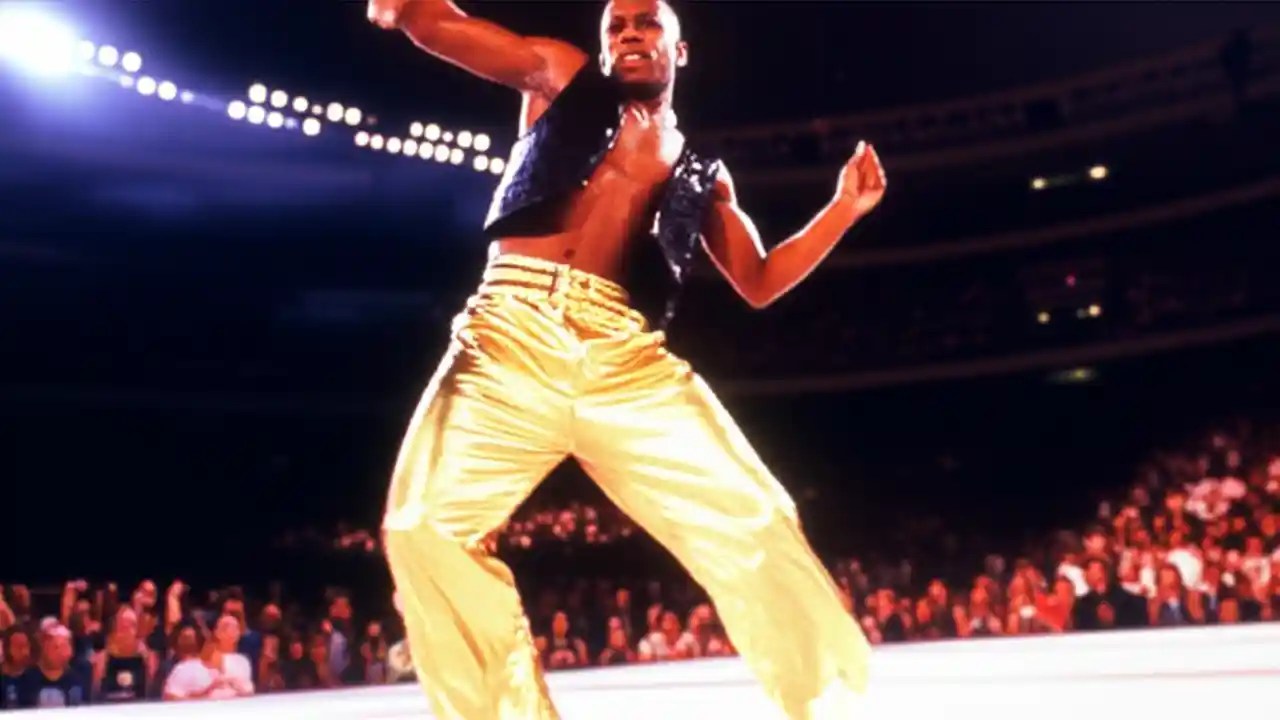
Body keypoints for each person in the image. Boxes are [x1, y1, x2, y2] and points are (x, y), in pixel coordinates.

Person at [368, 1, 884, 718]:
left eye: (647, 23)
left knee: (758, 516)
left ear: (681, 49)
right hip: (508, 334)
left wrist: (842, 210)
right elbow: (440, 26)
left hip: (624, 357)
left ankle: (831, 707)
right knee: (420, 527)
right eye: (616, 26)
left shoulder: (702, 172)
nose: (630, 33)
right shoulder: (558, 76)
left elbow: (759, 280)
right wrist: (406, 10)